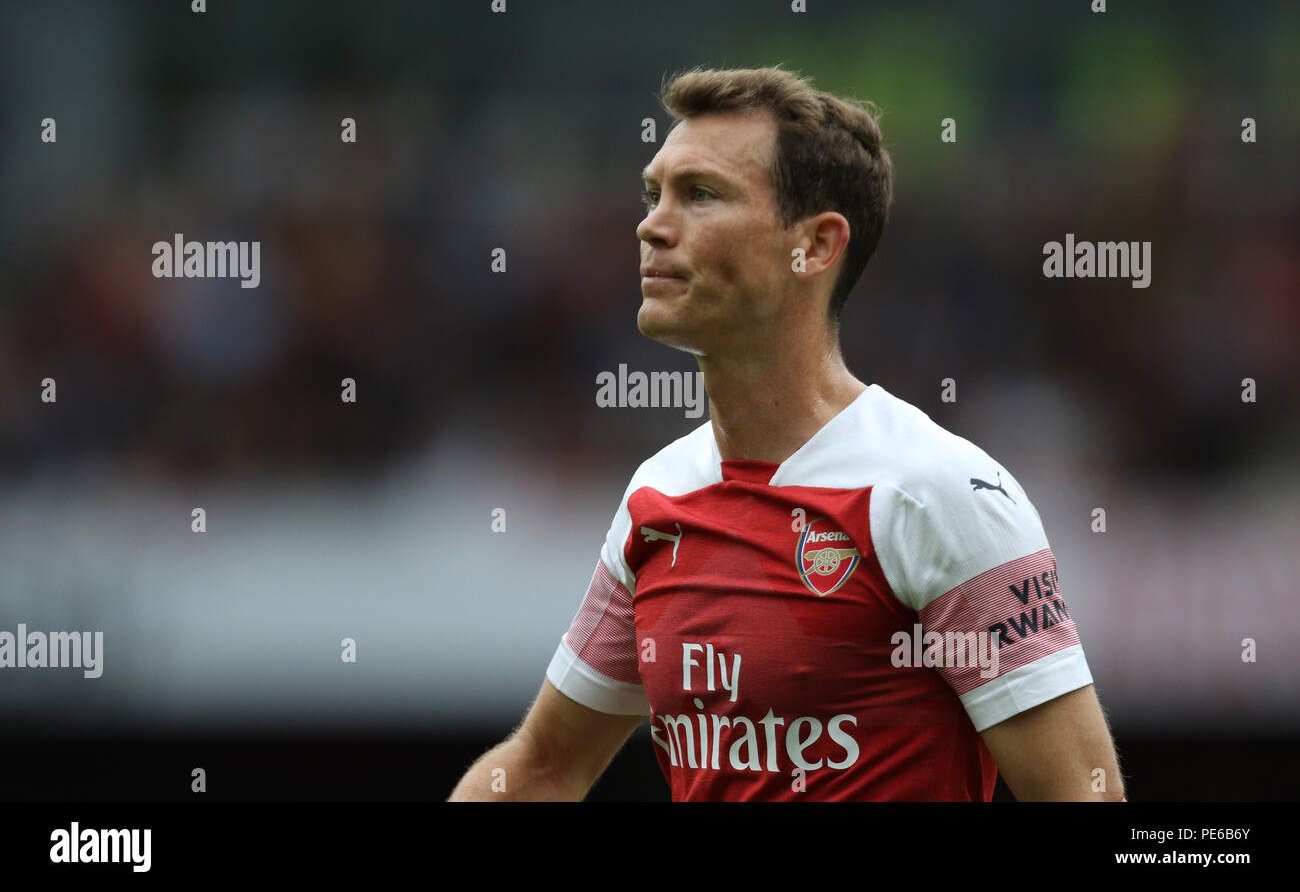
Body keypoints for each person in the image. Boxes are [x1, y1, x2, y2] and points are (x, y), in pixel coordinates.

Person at [449, 65, 1124, 801]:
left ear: (816, 245)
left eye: (700, 195)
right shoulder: (658, 495)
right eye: (654, 194)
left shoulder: (937, 492)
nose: (651, 224)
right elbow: (545, 766)